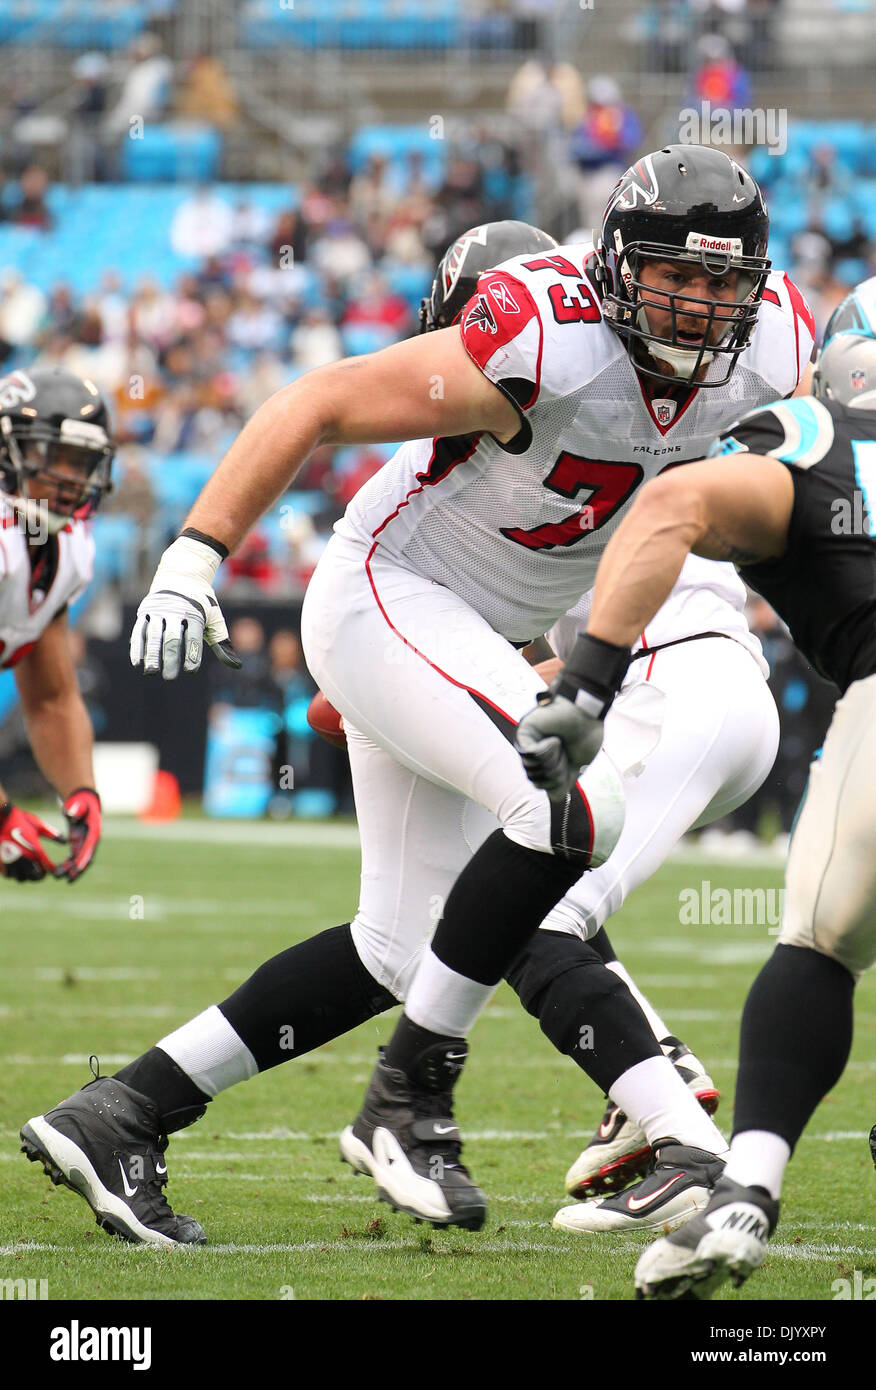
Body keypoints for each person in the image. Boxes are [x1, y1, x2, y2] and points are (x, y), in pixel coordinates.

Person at [20, 149, 813, 1244]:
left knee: (402, 948)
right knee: (574, 813)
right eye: (677, 273)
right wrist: (196, 554)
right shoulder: (549, 332)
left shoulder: (774, 345)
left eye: (727, 283)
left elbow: (576, 547)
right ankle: (410, 1092)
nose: (703, 303)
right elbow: (316, 402)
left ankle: (122, 1112)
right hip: (391, 591)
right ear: (616, 265)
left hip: (474, 624)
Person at [515, 276, 876, 1297]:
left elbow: (673, 502)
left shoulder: (806, 432)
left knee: (816, 948)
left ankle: (742, 1184)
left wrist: (587, 679)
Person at [0, 367, 114, 885]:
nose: (72, 477)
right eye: (58, 457)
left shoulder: (65, 549)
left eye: (83, 462)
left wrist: (81, 791)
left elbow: (50, 697)